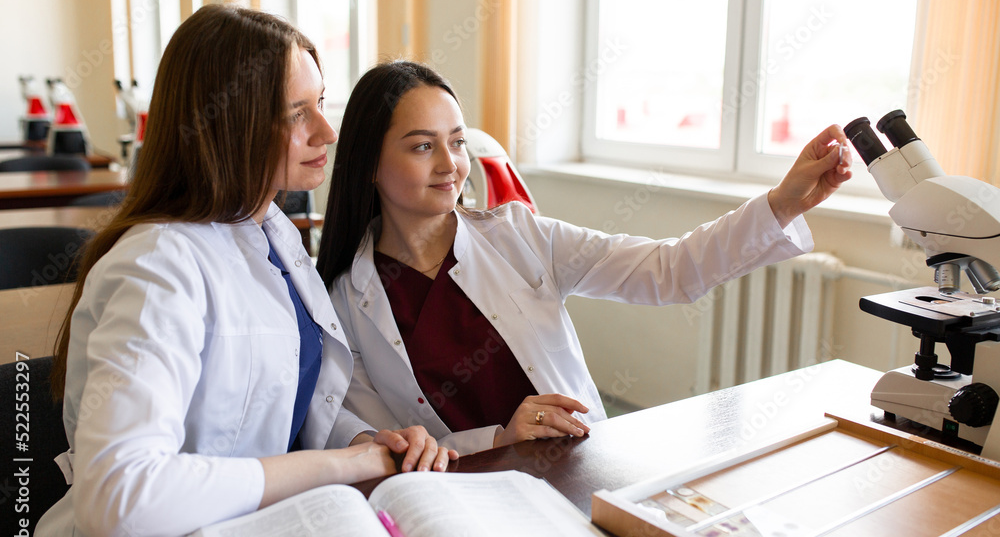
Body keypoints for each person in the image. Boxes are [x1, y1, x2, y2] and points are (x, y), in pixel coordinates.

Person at [31, 7, 455, 537]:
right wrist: (342, 466)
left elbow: (281, 400)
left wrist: (364, 441)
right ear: (227, 123)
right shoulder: (158, 266)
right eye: (297, 113)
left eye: (321, 103)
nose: (327, 131)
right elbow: (120, 500)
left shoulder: (269, 231)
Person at [316, 61, 853, 457]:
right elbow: (394, 447)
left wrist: (782, 203)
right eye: (420, 146)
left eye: (456, 143)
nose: (450, 165)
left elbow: (669, 271)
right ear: (368, 163)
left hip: (577, 469)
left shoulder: (518, 236)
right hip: (467, 498)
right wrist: (500, 438)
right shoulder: (344, 296)